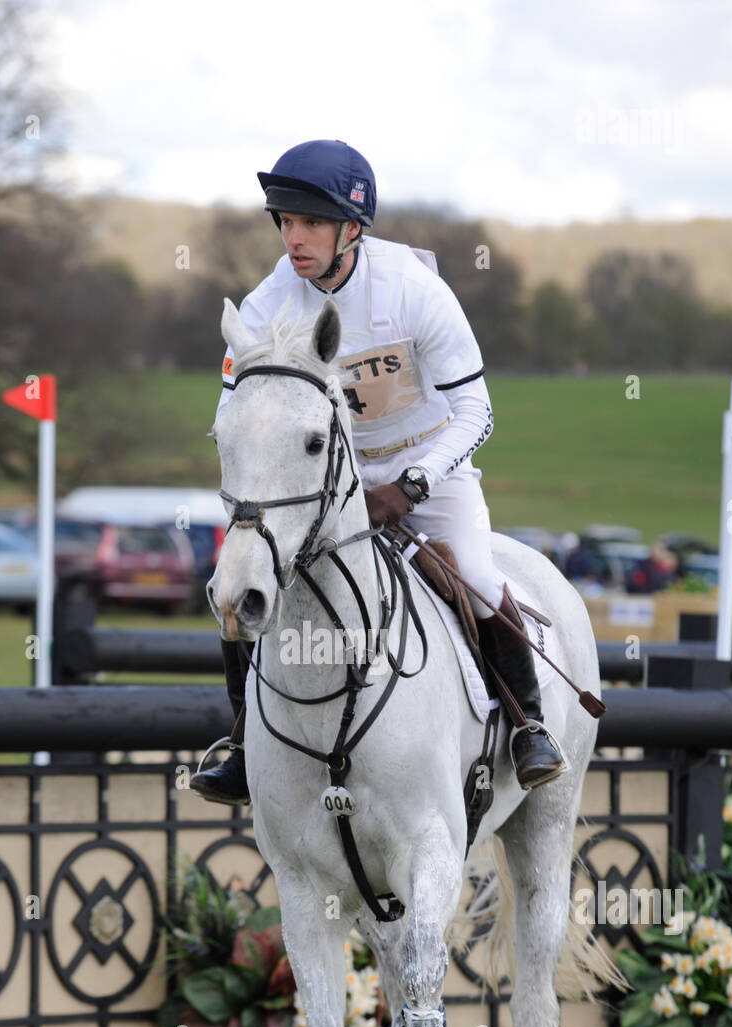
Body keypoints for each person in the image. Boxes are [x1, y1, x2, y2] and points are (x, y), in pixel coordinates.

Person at [191, 139, 565, 804]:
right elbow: (239, 421)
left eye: (309, 223)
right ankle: (245, 743)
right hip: (316, 481)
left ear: (352, 228)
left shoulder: (414, 291)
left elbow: (476, 412)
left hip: (425, 463)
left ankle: (527, 724)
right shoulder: (262, 308)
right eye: (285, 223)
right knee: (237, 586)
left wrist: (411, 484)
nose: (293, 239)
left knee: (476, 575)